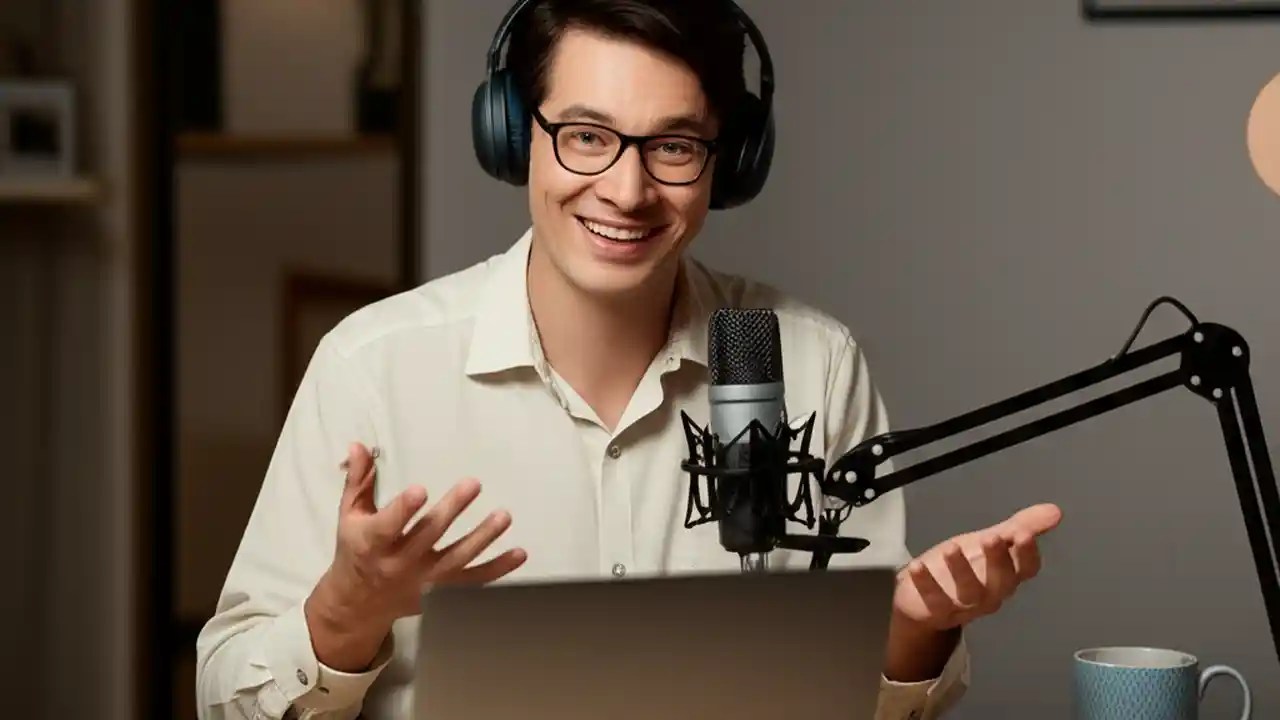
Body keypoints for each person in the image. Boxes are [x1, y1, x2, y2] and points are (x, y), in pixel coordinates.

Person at [195, 1, 1063, 718]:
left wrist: (907, 632)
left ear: (732, 161)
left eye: (674, 147)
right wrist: (343, 615)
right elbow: (225, 700)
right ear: (512, 135)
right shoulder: (374, 368)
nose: (626, 189)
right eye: (585, 135)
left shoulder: (808, 362)